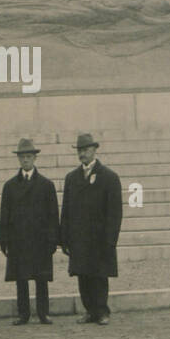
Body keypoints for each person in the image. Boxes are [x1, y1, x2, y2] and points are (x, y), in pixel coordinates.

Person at [60, 133, 122, 326]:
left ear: (95, 150)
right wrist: (64, 239)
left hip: (99, 238)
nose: (82, 154)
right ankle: (89, 310)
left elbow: (115, 213)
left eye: (86, 150)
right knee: (83, 275)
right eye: (80, 150)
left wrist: (110, 240)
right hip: (79, 238)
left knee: (99, 276)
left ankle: (102, 311)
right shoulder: (72, 178)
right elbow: (66, 211)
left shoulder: (109, 177)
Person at [0, 138, 59, 325]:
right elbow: (4, 217)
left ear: (34, 158)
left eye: (29, 156)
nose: (25, 160)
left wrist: (52, 240)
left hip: (39, 240)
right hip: (19, 240)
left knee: (41, 278)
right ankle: (23, 314)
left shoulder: (46, 185)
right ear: (18, 159)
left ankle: (43, 313)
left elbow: (53, 216)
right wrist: (4, 241)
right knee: (21, 279)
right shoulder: (9, 186)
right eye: (22, 157)